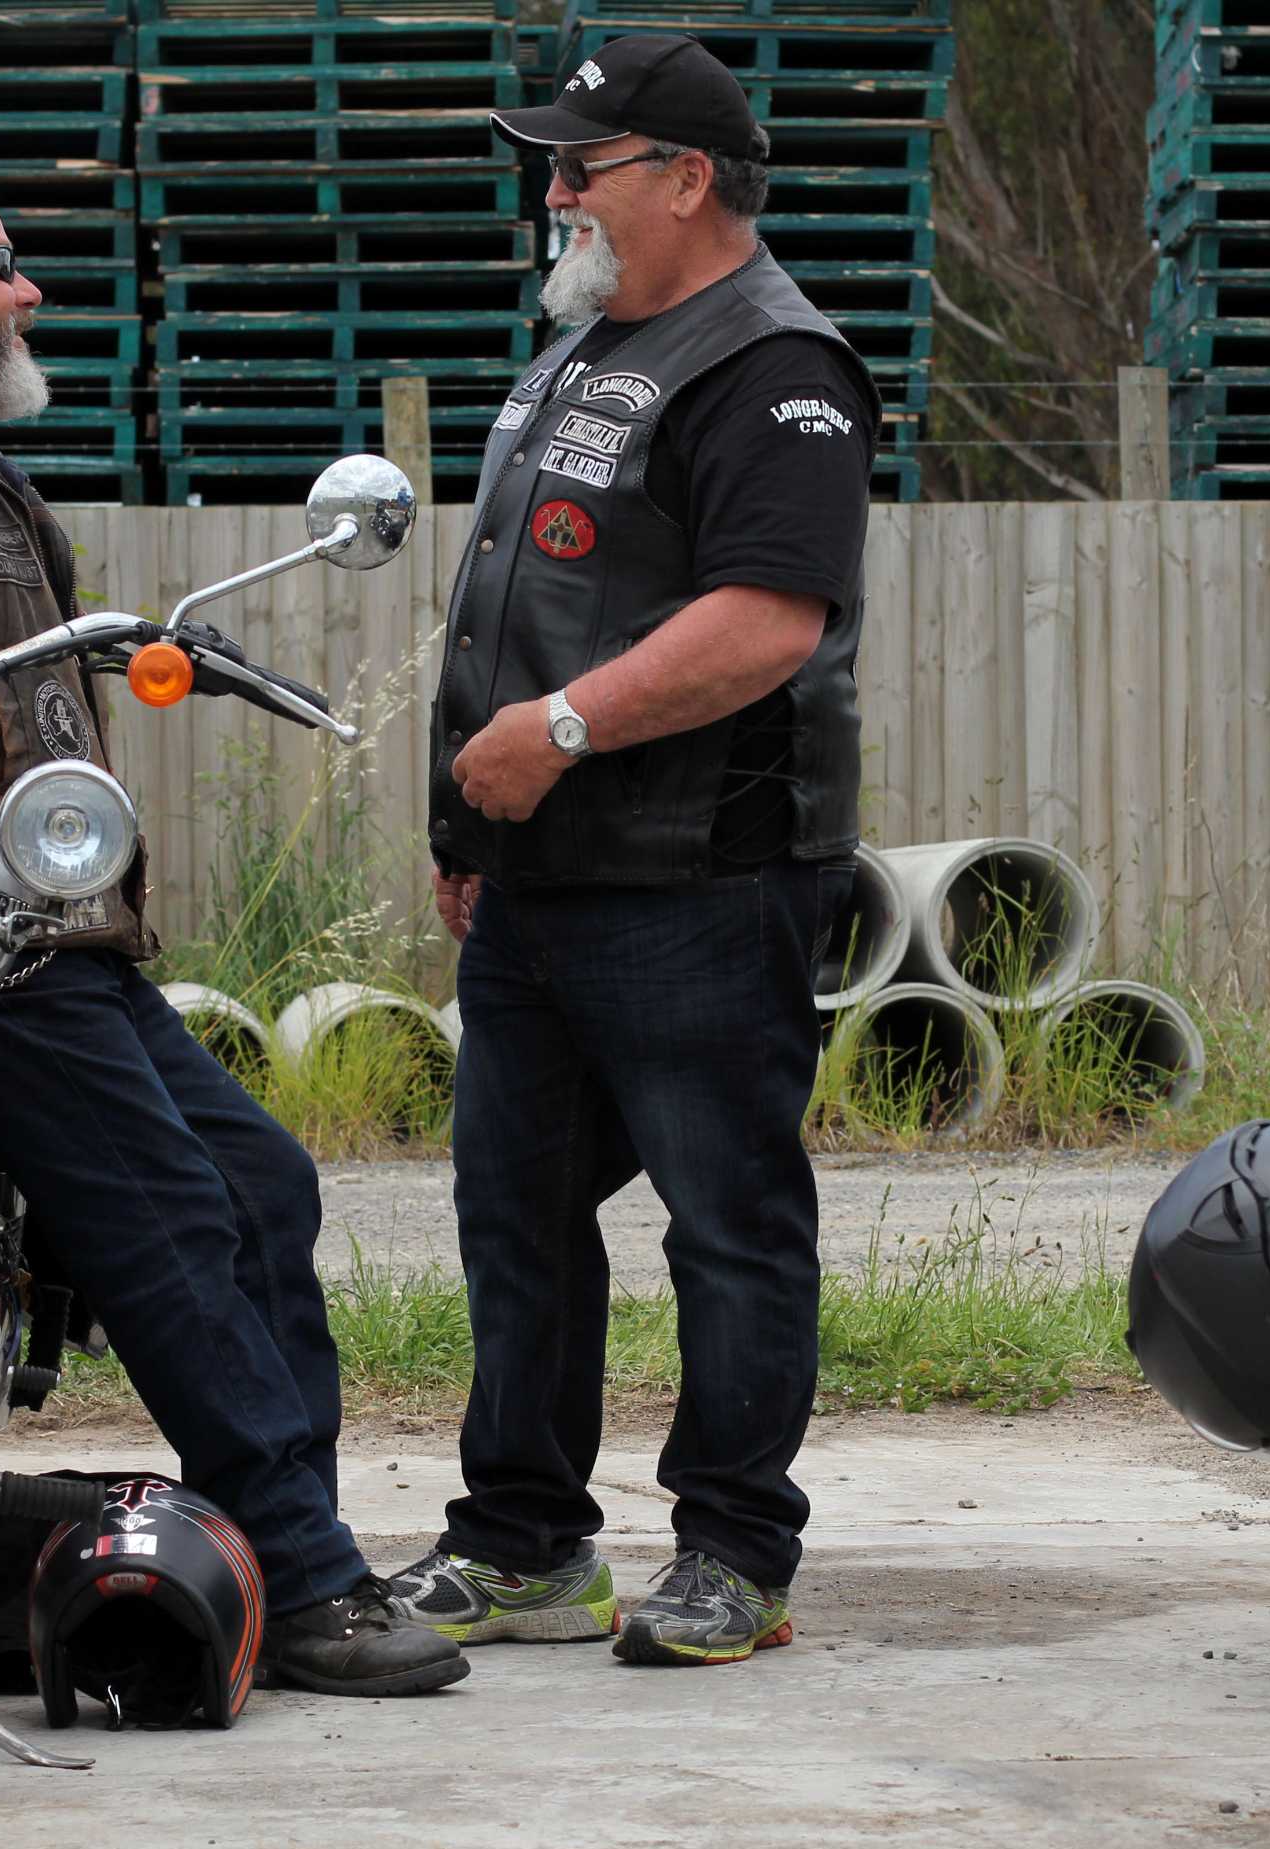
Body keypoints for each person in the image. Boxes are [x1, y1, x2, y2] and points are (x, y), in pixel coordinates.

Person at [0, 179, 464, 1700]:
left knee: (261, 1183)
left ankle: (281, 1543)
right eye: (3, 267)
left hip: (63, 940)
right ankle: (306, 1581)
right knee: (172, 1218)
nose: (31, 294)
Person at [380, 39, 881, 1665]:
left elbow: (769, 619)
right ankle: (524, 1543)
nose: (554, 191)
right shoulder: (586, 349)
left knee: (728, 1221)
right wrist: (472, 825)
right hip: (541, 881)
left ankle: (736, 1552)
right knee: (515, 1215)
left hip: (703, 877)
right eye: (551, 164)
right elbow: (526, 606)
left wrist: (562, 732)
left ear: (686, 178)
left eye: (581, 165)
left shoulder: (778, 368)